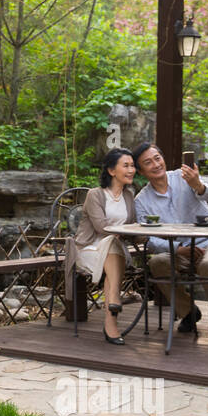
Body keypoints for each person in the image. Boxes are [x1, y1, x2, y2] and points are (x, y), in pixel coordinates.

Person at [131, 142, 208, 334]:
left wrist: (197, 184)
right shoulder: (141, 201)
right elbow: (150, 240)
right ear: (141, 171)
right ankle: (188, 312)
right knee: (157, 263)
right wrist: (178, 249)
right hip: (183, 249)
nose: (156, 164)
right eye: (148, 162)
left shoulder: (183, 176)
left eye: (157, 158)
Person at [63, 148, 137, 346]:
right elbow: (101, 227)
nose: (131, 170)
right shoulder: (95, 195)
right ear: (112, 171)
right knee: (111, 243)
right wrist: (125, 231)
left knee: (113, 248)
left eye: (132, 166)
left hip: (115, 252)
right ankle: (113, 307)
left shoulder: (129, 196)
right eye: (126, 165)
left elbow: (134, 226)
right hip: (88, 249)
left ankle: (112, 306)